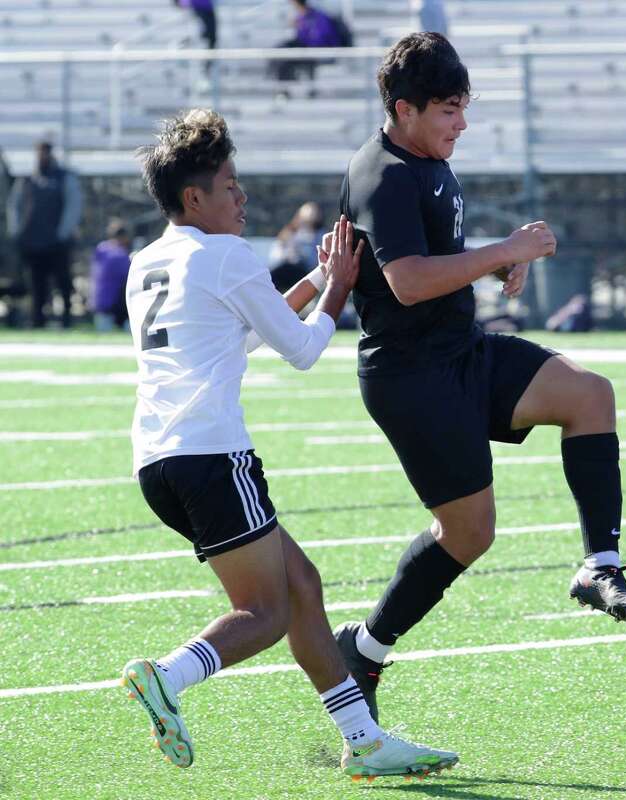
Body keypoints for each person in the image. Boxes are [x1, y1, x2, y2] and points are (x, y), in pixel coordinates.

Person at [118, 108, 457, 783]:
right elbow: (300, 349)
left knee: (302, 586)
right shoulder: (224, 255)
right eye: (229, 185)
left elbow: (239, 332)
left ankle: (362, 739)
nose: (241, 197)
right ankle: (168, 676)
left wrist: (315, 284)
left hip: (158, 460)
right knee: (267, 612)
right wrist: (337, 286)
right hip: (213, 457)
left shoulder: (146, 261)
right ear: (194, 198)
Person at [333, 32, 626, 723]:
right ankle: (364, 647)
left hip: (463, 352)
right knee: (470, 534)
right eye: (449, 109)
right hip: (411, 377)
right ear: (404, 108)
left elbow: (439, 260)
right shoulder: (382, 172)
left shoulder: (430, 157)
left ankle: (599, 565)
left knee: (591, 394)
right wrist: (503, 250)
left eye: (463, 108)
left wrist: (501, 262)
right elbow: (409, 281)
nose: (462, 123)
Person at [6, 139, 81, 328]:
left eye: (45, 152)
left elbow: (73, 205)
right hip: (33, 241)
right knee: (36, 284)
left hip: (57, 242)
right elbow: (14, 206)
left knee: (63, 282)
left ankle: (66, 318)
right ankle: (38, 320)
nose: (42, 157)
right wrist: (17, 231)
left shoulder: (63, 177)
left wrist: (62, 232)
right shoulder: (28, 179)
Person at [273, 0, 343, 82]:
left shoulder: (318, 18)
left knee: (286, 61)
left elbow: (317, 41)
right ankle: (285, 88)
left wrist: (302, 26)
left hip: (320, 52)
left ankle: (288, 89)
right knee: (283, 50)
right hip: (309, 51)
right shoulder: (303, 18)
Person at [268, 201, 323, 292]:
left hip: (305, 271)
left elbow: (315, 260)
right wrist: (288, 255)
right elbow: (276, 253)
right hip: (286, 267)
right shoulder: (290, 232)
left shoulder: (320, 235)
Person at [90, 218, 132, 331]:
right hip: (113, 303)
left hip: (97, 301)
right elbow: (129, 275)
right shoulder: (119, 254)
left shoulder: (101, 249)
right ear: (123, 236)